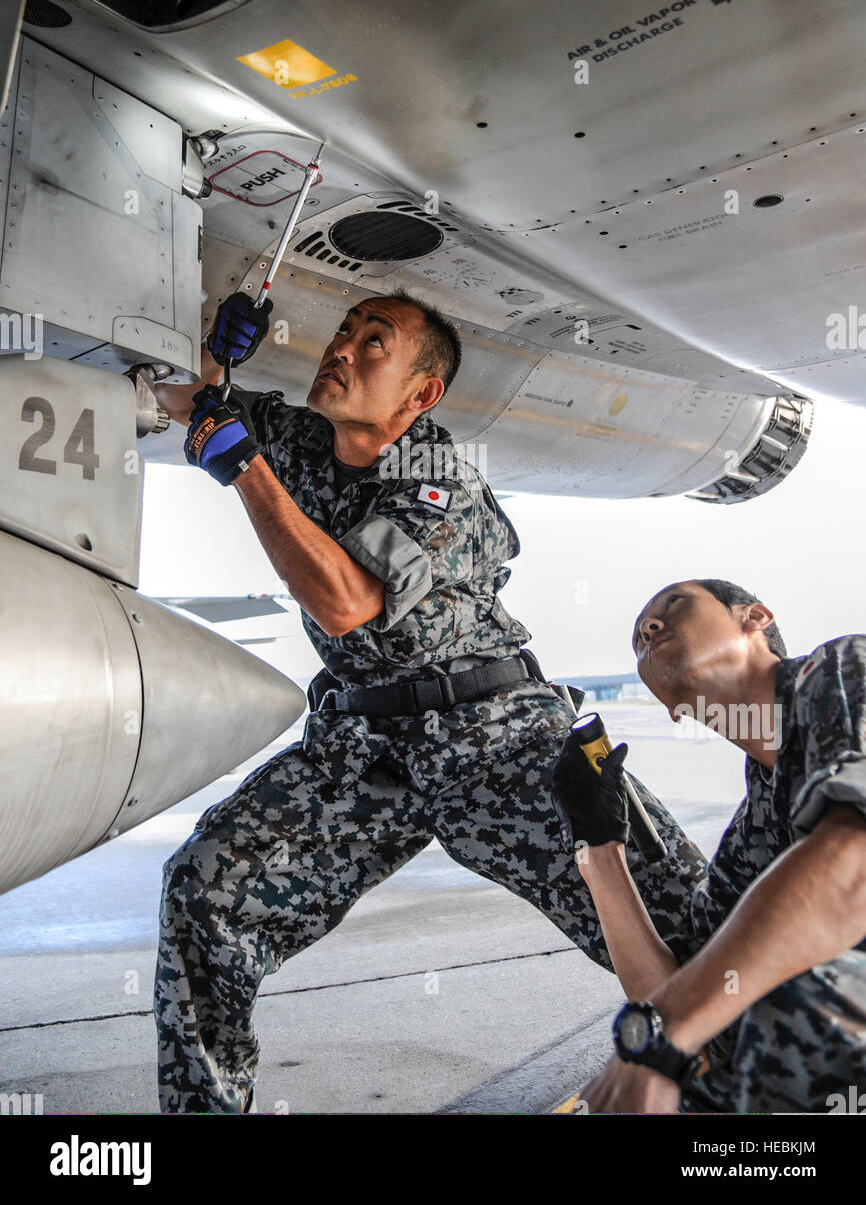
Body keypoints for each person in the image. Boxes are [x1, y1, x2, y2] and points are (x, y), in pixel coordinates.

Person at [151, 288, 706, 1114]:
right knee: (205, 891)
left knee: (688, 932)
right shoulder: (304, 442)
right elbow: (183, 395)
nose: (340, 349)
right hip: (364, 750)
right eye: (342, 333)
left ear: (419, 396)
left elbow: (345, 600)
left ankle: (779, 1105)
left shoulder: (439, 480)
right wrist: (213, 354)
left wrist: (242, 466)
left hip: (498, 738)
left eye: (372, 342)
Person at [551, 579, 866, 1114]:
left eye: (674, 604)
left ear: (756, 617)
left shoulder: (844, 671)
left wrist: (660, 1038)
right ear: (674, 709)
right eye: (638, 639)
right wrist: (599, 847)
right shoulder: (751, 834)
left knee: (804, 1010)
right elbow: (689, 1011)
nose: (649, 627)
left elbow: (854, 865)